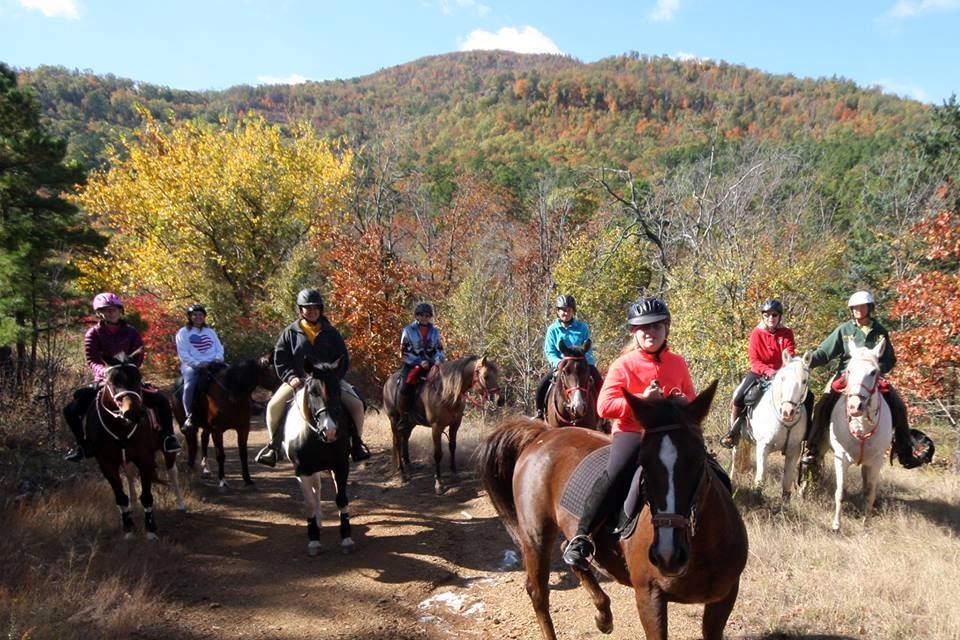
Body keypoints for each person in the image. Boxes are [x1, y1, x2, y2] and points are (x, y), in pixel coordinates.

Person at [562, 296, 696, 570]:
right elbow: (603, 406)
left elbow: (692, 402)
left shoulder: (678, 363)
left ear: (666, 328)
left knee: (706, 469)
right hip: (633, 432)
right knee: (617, 472)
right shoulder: (623, 365)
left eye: (656, 326)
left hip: (671, 434)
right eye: (643, 327)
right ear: (634, 332)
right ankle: (582, 537)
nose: (650, 332)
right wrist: (640, 400)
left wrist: (682, 402)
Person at [255, 288, 369, 467]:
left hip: (328, 380)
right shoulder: (290, 332)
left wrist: (334, 377)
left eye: (316, 308)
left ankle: (357, 443)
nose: (312, 311)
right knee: (273, 406)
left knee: (356, 404)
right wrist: (290, 377)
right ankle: (274, 447)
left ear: (321, 309)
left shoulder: (331, 332)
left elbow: (343, 358)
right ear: (301, 310)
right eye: (308, 308)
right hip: (298, 381)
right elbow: (280, 359)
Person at [801, 290, 914, 467]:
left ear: (870, 308)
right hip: (845, 376)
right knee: (822, 405)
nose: (858, 310)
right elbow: (825, 352)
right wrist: (807, 362)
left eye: (862, 307)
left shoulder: (880, 332)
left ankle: (905, 452)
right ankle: (813, 449)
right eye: (855, 307)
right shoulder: (844, 330)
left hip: (871, 378)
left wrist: (876, 370)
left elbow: (890, 359)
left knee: (899, 405)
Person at [63, 293, 180, 462]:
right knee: (71, 410)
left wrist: (130, 368)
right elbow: (92, 360)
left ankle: (168, 438)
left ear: (120, 311)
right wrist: (107, 372)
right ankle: (83, 445)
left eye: (115, 310)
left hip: (130, 377)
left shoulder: (131, 332)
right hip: (106, 378)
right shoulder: (92, 334)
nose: (111, 313)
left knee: (161, 400)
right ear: (99, 313)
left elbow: (139, 354)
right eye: (107, 311)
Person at [720, 299, 813, 448]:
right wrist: (768, 371)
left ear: (779, 317)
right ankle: (733, 433)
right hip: (759, 373)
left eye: (774, 315)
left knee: (809, 396)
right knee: (739, 397)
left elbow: (789, 355)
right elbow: (754, 360)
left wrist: (781, 372)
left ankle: (807, 435)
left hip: (783, 374)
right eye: (767, 314)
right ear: (763, 316)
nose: (771, 318)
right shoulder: (756, 334)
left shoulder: (787, 333)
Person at [534, 294, 603, 419]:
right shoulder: (553, 329)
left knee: (599, 381)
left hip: (581, 362)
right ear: (558, 312)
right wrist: (558, 363)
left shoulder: (582, 327)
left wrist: (586, 362)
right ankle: (539, 412)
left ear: (573, 312)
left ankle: (603, 416)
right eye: (563, 310)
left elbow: (587, 348)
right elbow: (549, 351)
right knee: (541, 385)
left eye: (569, 310)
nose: (566, 313)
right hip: (563, 364)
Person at [175, 303, 225, 433]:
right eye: (195, 315)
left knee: (234, 375)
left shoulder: (210, 332)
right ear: (190, 317)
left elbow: (219, 347)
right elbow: (183, 353)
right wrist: (198, 364)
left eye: (201, 315)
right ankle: (189, 416)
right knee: (189, 386)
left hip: (213, 362)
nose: (198, 317)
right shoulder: (183, 332)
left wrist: (218, 358)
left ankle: (248, 404)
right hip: (192, 365)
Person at [397, 302, 446, 420]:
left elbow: (439, 349)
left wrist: (438, 360)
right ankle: (405, 416)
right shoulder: (408, 330)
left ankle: (441, 414)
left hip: (432, 364)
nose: (425, 318)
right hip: (412, 364)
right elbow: (403, 352)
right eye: (422, 315)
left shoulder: (435, 331)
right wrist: (418, 362)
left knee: (446, 383)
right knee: (405, 387)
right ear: (417, 316)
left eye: (428, 315)